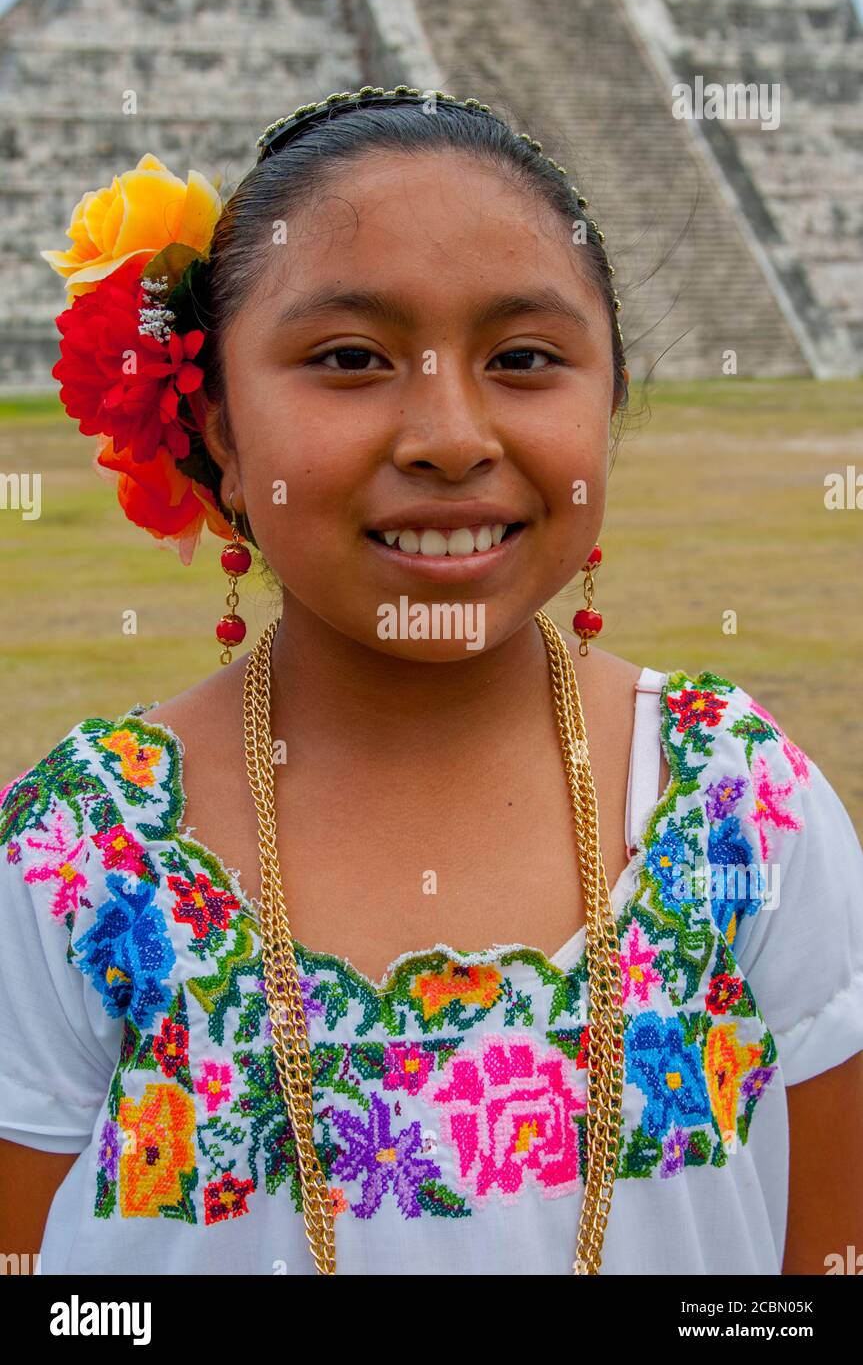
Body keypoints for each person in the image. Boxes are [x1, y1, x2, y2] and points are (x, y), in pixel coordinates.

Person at [1, 86, 861, 1277]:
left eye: (522, 358)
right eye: (348, 358)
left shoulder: (738, 805)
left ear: (605, 405)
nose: (451, 436)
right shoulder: (81, 854)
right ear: (218, 436)